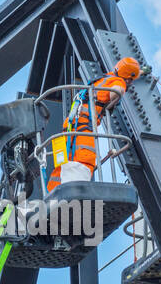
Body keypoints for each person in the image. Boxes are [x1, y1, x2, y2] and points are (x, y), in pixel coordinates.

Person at [46, 57, 143, 193]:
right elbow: (117, 91)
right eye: (131, 80)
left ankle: (52, 195)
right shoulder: (118, 81)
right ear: (128, 78)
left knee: (61, 164)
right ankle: (74, 194)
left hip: (67, 128)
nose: (131, 83)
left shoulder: (100, 80)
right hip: (83, 127)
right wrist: (114, 100)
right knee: (85, 159)